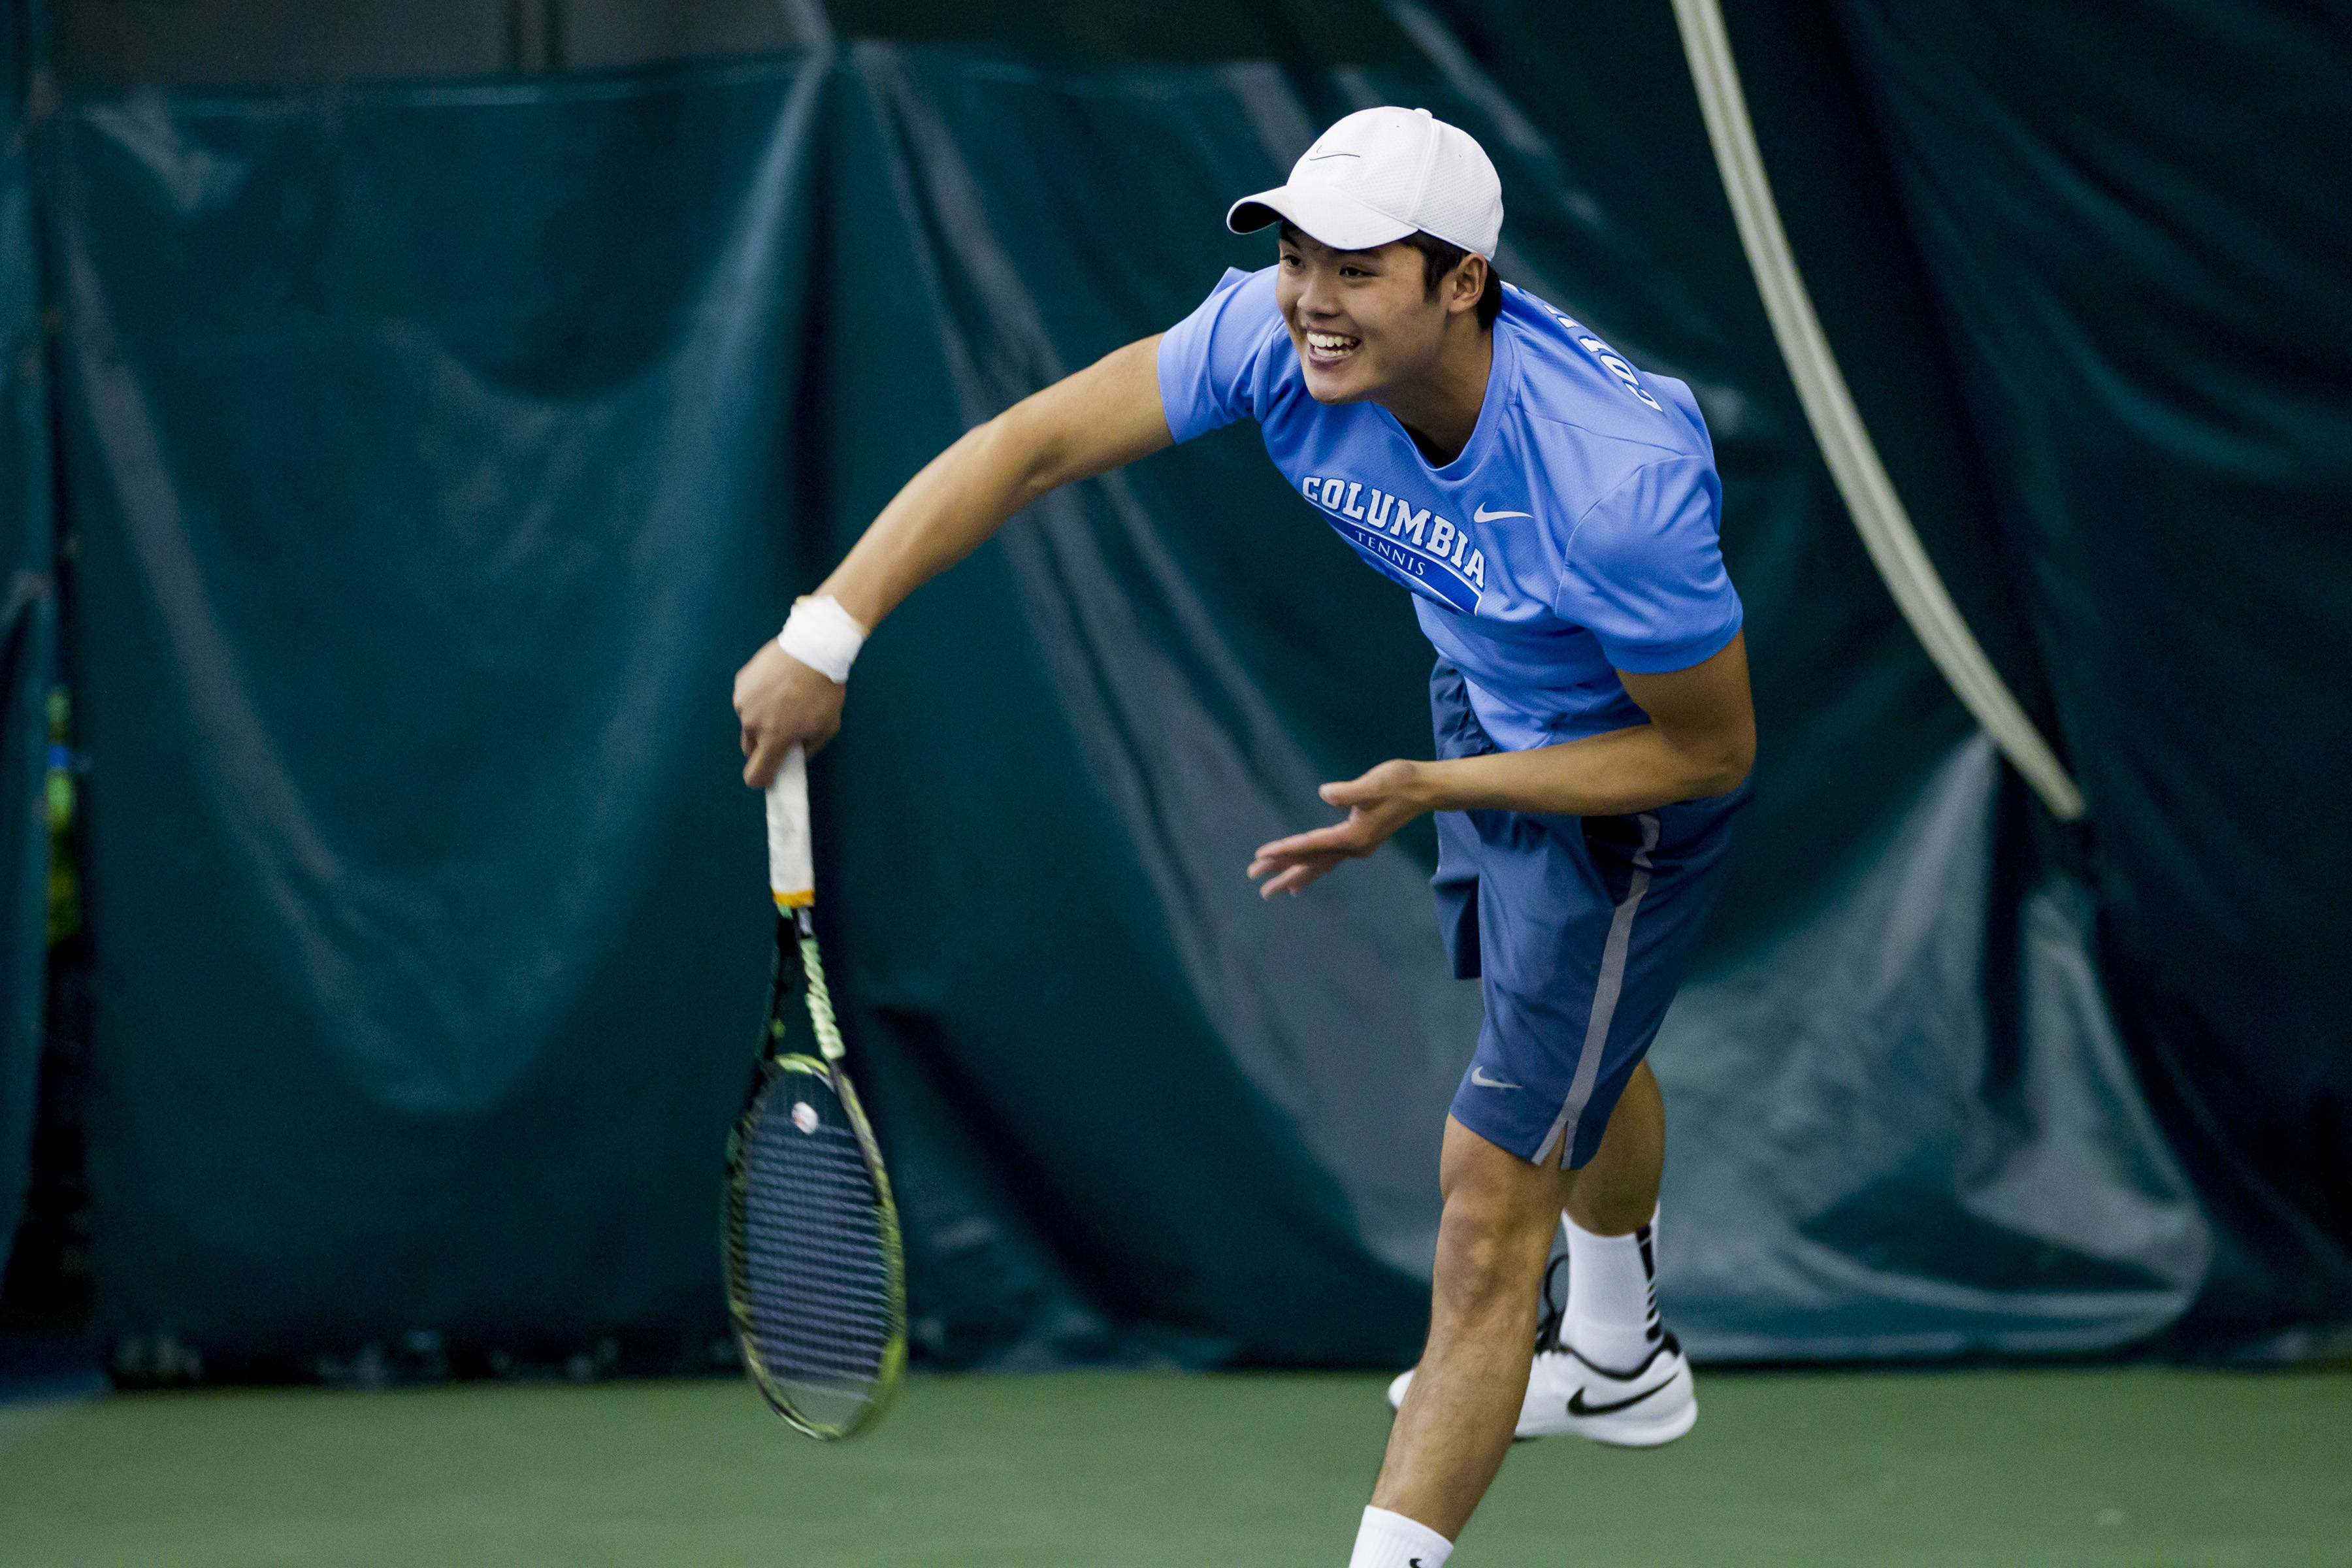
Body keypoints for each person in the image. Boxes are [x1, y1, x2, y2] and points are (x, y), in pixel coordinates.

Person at [732, 105, 1754, 1568]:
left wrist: (1440, 792)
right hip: (1485, 694)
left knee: (1485, 1209)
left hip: (1625, 785)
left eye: (1355, 267)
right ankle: (1617, 1354)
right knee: (1584, 1038)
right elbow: (1030, 446)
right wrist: (824, 633)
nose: (1310, 298)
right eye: (1294, 256)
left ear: (1462, 282)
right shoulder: (1273, 344)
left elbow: (1709, 748)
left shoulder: (1617, 485)